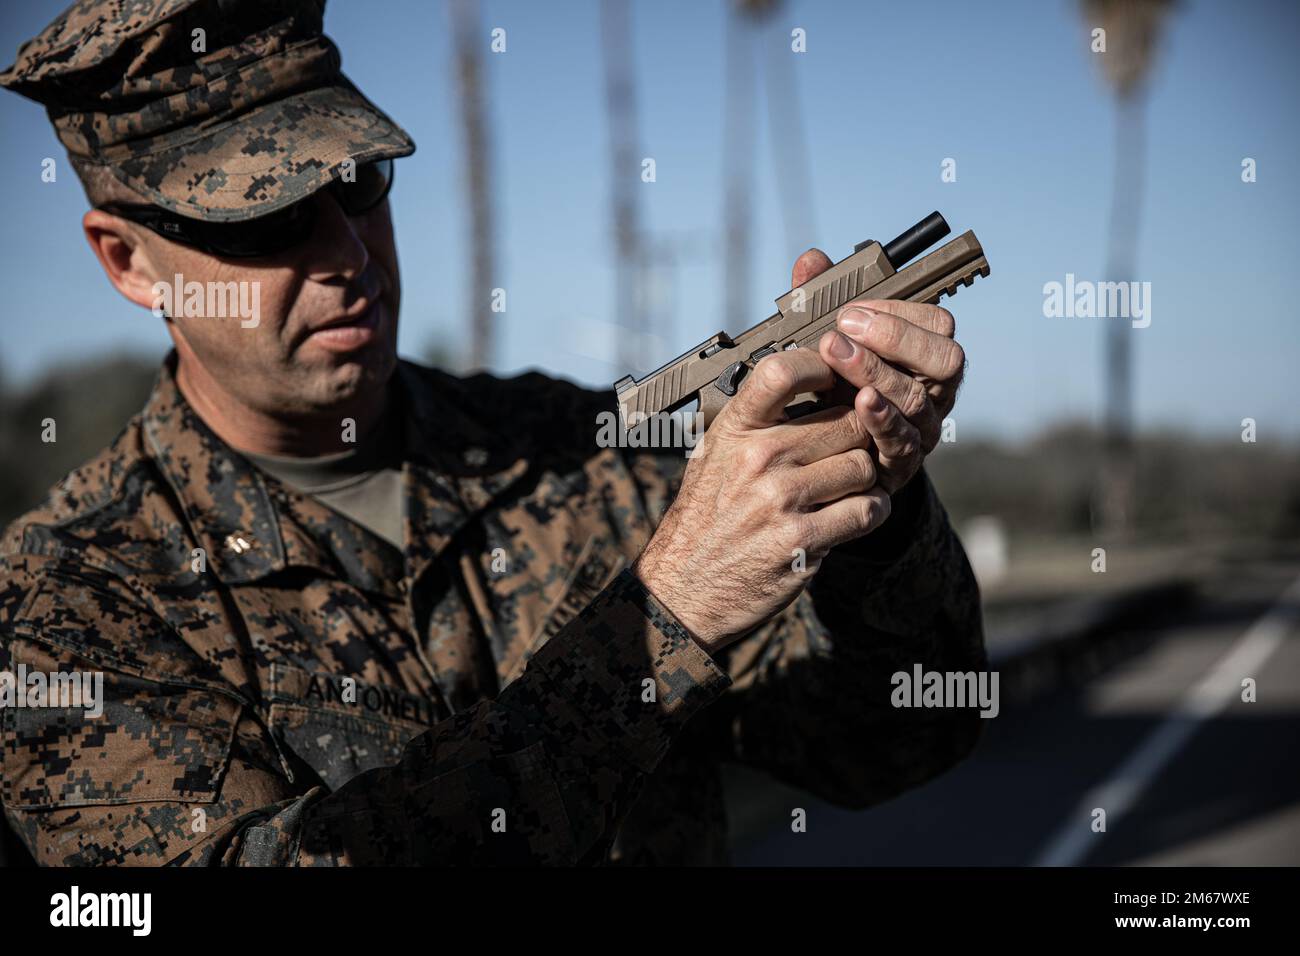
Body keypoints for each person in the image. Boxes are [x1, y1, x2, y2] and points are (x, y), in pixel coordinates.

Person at [0, 0, 986, 866]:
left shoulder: (579, 449)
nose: (347, 252)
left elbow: (883, 744)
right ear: (129, 261)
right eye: (266, 219)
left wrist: (870, 511)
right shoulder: (63, 609)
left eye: (357, 183)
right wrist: (664, 616)